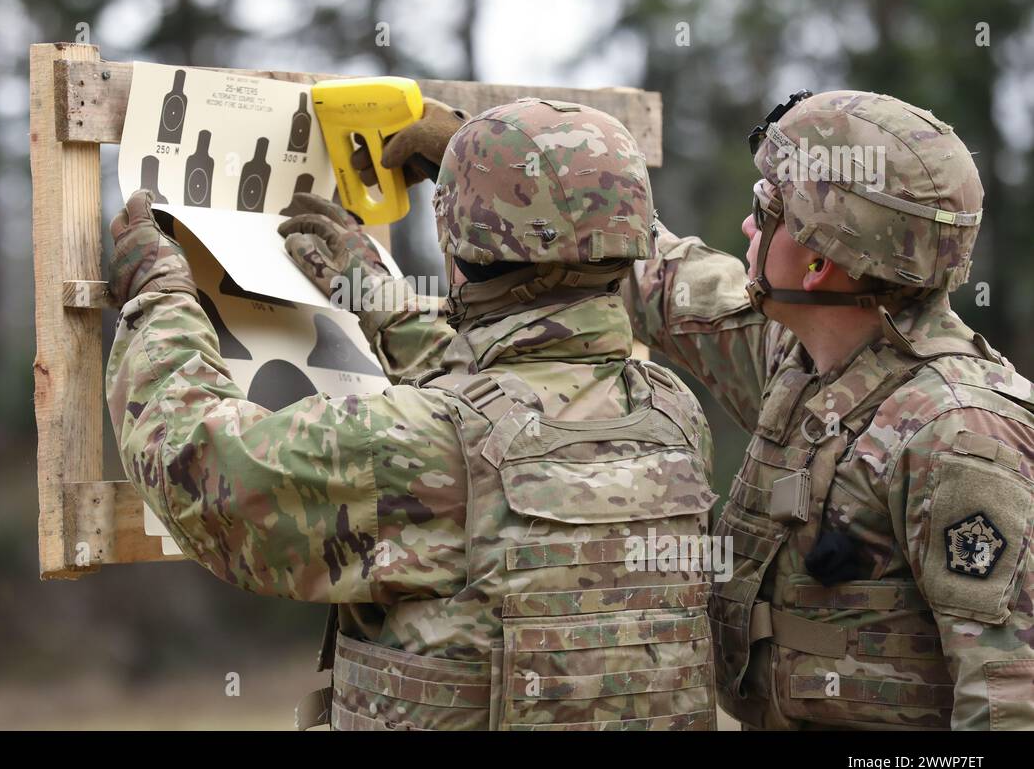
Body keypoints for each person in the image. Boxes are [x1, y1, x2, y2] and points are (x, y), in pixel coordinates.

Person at [377, 89, 1034, 730]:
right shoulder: (803, 356)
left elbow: (1011, 696)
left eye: (767, 207)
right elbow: (655, 274)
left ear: (815, 262)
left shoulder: (962, 435)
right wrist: (498, 164)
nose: (749, 225)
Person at [106, 98, 720, 730]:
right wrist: (375, 294)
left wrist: (159, 298)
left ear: (461, 247)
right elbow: (516, 387)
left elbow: (196, 465)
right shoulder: (673, 414)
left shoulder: (419, 446)